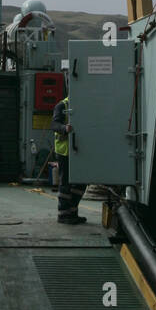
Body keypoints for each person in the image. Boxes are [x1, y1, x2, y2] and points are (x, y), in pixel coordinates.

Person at [51, 92, 86, 224]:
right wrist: (64, 128)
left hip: (79, 151)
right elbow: (54, 124)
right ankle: (63, 214)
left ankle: (72, 212)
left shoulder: (84, 106)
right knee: (65, 182)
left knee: (81, 182)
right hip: (64, 152)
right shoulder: (62, 106)